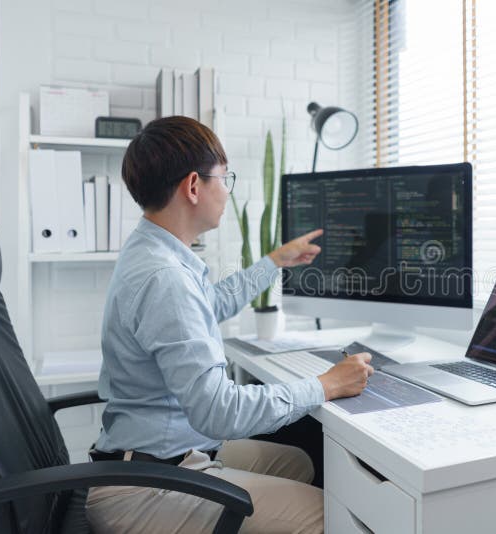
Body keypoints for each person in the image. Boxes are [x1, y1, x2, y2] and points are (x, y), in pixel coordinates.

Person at [85, 116, 374, 533]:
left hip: (159, 456)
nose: (227, 189)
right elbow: (220, 412)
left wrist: (274, 262)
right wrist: (325, 385)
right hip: (146, 486)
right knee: (330, 517)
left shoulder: (152, 251)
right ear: (193, 186)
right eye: (225, 178)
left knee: (299, 462)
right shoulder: (165, 277)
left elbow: (209, 305)